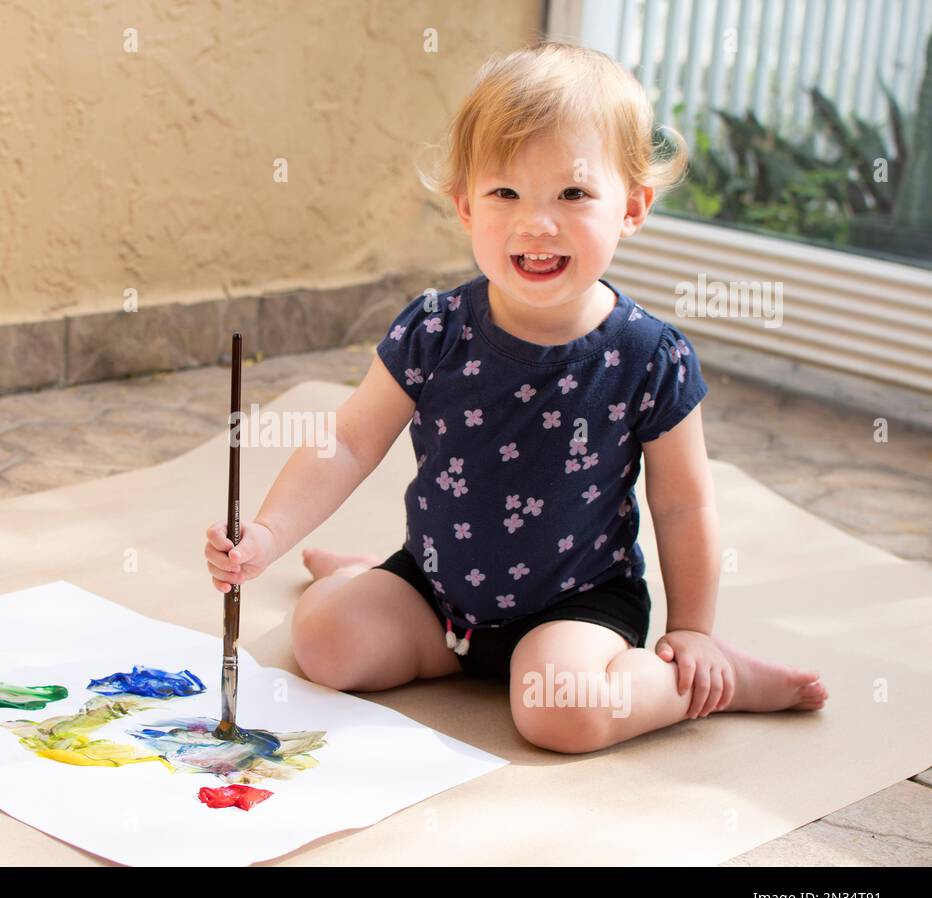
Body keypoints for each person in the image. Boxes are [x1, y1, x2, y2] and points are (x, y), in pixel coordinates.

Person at [205, 41, 826, 754]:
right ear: (466, 205)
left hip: (575, 605)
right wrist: (267, 536)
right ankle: (366, 578)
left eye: (573, 193)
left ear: (633, 206)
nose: (537, 222)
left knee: (559, 712)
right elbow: (346, 443)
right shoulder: (436, 329)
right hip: (438, 595)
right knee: (324, 642)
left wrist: (691, 631)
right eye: (506, 193)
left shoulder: (648, 356)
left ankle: (702, 687)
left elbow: (684, 504)